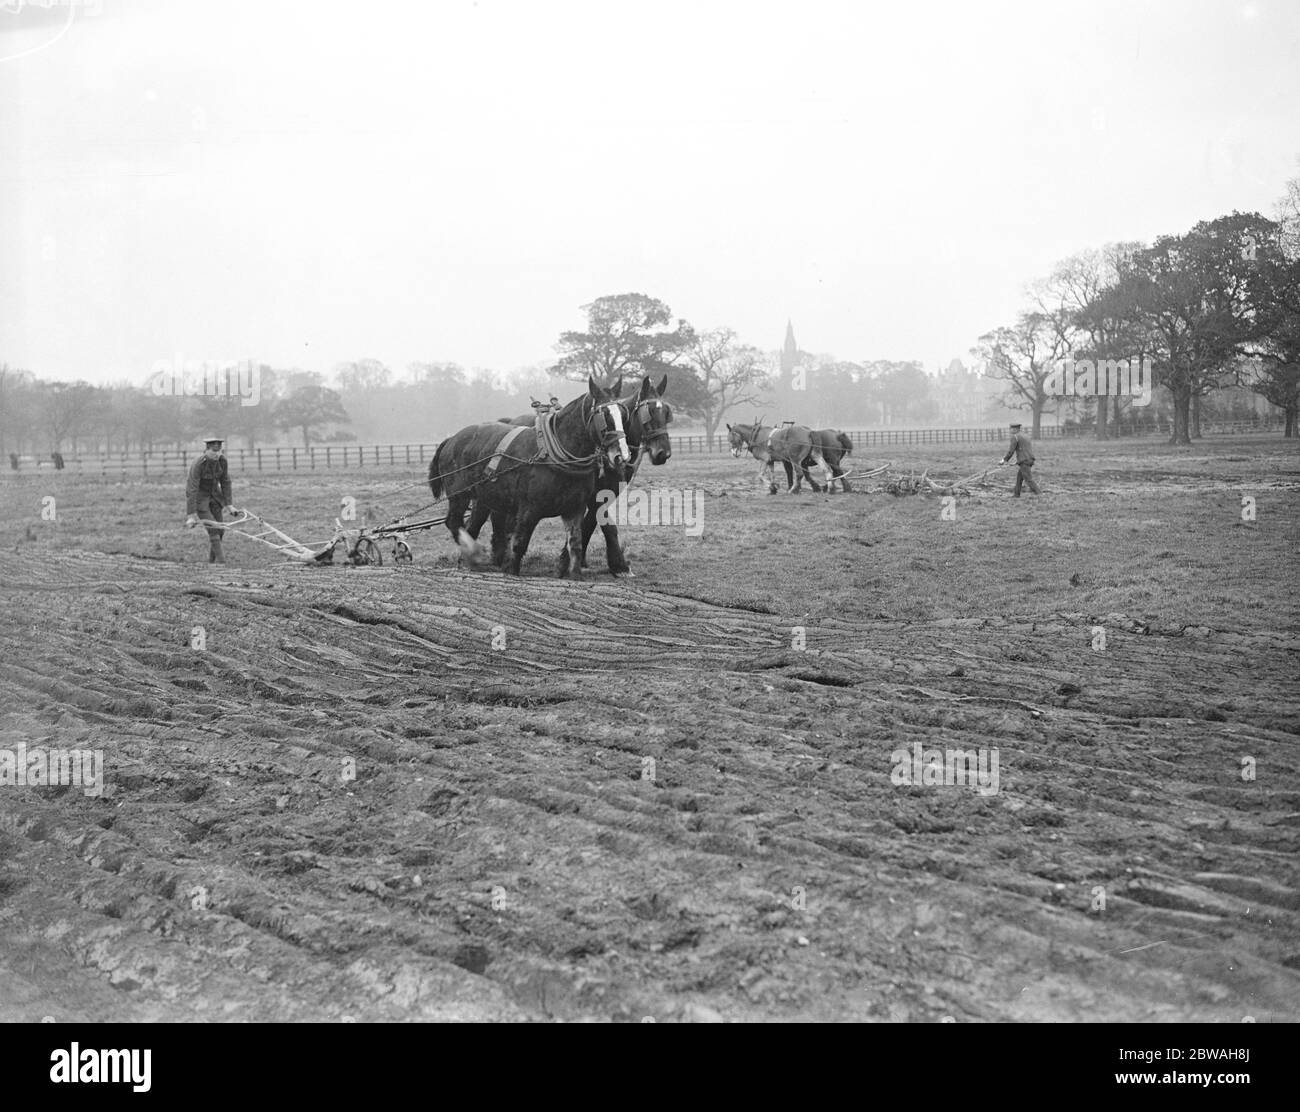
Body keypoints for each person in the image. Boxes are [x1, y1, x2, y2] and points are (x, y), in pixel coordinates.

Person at [185, 437, 238, 563]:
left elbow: (225, 481)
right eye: (213, 452)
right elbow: (192, 488)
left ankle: (211, 563)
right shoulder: (199, 464)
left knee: (221, 530)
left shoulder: (222, 461)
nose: (216, 455)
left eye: (218, 452)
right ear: (207, 450)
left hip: (215, 497)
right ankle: (222, 563)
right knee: (213, 529)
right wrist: (191, 515)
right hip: (200, 499)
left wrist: (229, 505)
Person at [999, 422, 1041, 496]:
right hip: (1029, 459)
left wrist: (1004, 460)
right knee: (1019, 479)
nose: (1010, 430)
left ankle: (1039, 494)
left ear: (1015, 429)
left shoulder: (1015, 437)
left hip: (1024, 461)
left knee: (1028, 479)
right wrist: (1018, 461)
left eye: (1011, 429)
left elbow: (1011, 451)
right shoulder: (1025, 436)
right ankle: (1016, 495)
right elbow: (1025, 449)